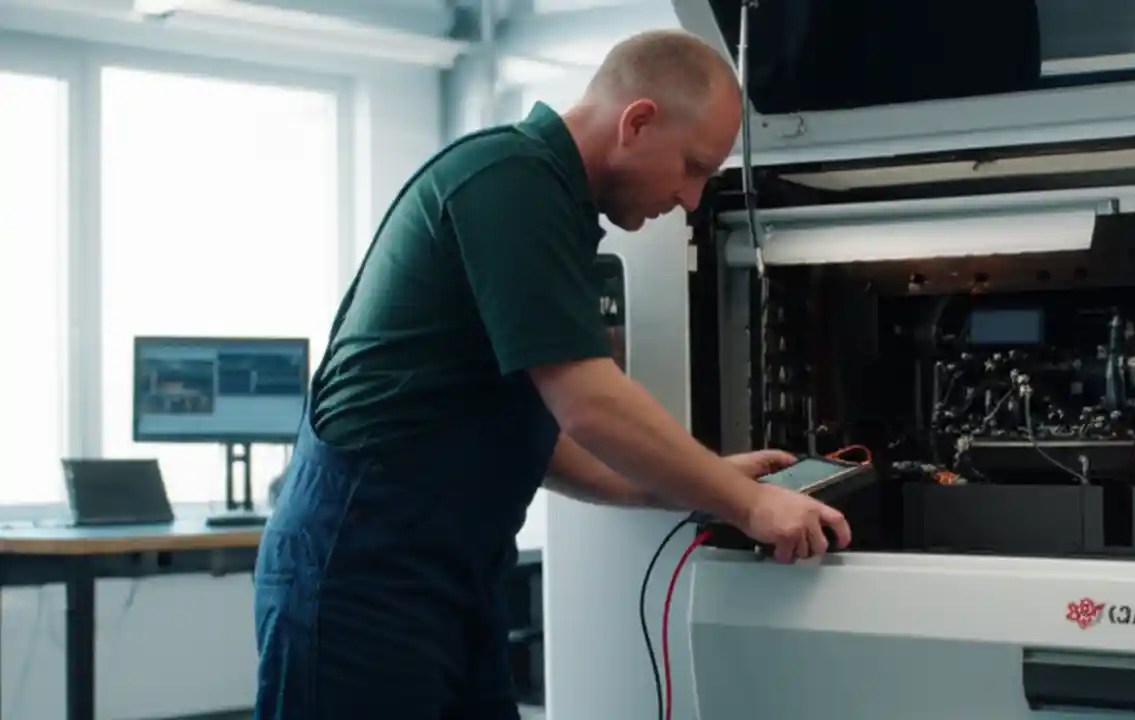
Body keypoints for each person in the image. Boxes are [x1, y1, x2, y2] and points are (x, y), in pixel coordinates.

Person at [252, 28, 853, 720]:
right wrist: (748, 505)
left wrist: (701, 487)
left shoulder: (551, 207)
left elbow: (537, 439)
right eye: (691, 168)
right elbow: (589, 404)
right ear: (638, 121)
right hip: (359, 573)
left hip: (449, 579)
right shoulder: (509, 183)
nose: (691, 200)